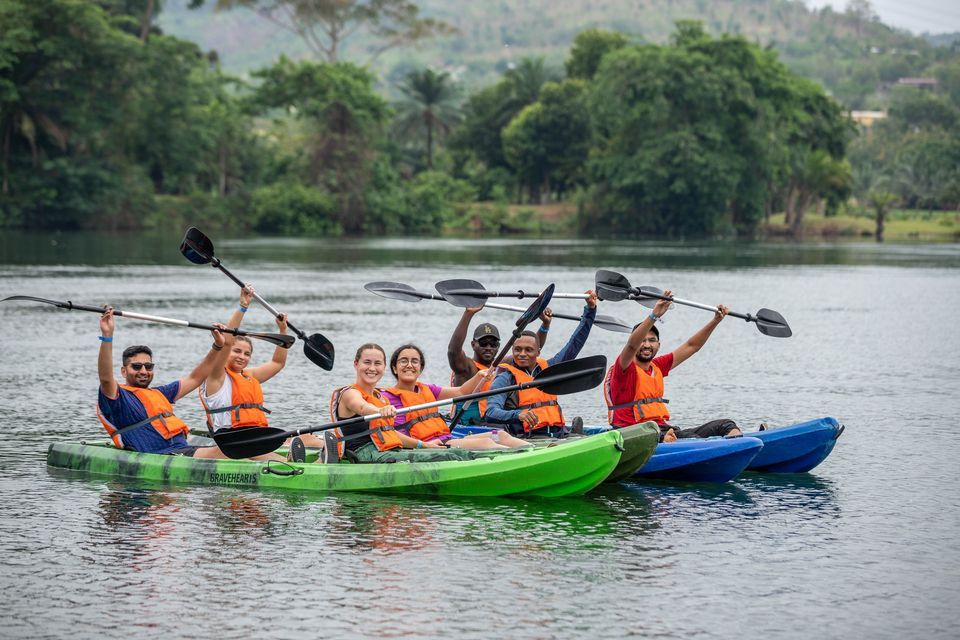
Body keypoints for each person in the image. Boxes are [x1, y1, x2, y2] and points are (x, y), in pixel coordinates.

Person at [602, 290, 743, 443]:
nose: (647, 345)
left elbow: (692, 346)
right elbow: (631, 346)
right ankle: (713, 451)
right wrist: (654, 315)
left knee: (726, 425)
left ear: (658, 345)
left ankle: (737, 445)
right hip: (633, 433)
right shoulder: (623, 368)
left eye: (652, 340)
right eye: (643, 340)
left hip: (662, 428)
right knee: (692, 440)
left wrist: (716, 320)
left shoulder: (657, 367)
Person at [96, 307, 234, 458]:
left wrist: (218, 346)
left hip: (181, 449)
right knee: (229, 451)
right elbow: (106, 378)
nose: (143, 371)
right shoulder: (118, 397)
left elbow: (195, 378)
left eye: (148, 366)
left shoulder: (160, 393)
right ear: (123, 371)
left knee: (236, 447)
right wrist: (107, 335)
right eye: (136, 366)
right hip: (162, 455)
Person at [199, 284, 315, 461]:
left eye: (247, 354)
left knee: (309, 438)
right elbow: (228, 341)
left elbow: (277, 363)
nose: (242, 357)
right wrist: (243, 307)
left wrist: (282, 330)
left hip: (255, 436)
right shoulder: (216, 376)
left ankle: (326, 453)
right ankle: (293, 463)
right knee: (278, 460)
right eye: (237, 351)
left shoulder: (248, 375)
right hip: (232, 442)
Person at [327, 344, 475, 463]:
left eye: (377, 363)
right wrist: (380, 411)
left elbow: (390, 433)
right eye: (367, 362)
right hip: (364, 455)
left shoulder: (380, 398)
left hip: (387, 451)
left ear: (384, 367)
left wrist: (423, 445)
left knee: (457, 452)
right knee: (450, 457)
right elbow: (361, 406)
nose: (372, 368)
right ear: (356, 364)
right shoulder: (350, 393)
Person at [483, 291, 597, 437]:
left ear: (538, 352)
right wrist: (519, 414)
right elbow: (491, 412)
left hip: (558, 433)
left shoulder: (548, 368)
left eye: (528, 350)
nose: (522, 354)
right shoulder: (505, 378)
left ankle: (574, 434)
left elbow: (575, 344)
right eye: (517, 350)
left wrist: (590, 310)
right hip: (528, 438)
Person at [382, 344, 530, 450]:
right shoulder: (386, 398)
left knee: (501, 435)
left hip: (447, 440)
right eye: (403, 361)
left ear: (420, 368)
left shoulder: (428, 389)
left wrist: (478, 376)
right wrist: (422, 445)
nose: (409, 365)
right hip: (428, 447)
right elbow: (389, 432)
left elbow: (460, 392)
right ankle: (523, 463)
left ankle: (538, 453)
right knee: (485, 443)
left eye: (414, 361)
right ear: (395, 368)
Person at [446, 306, 552, 425]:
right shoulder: (467, 367)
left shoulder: (502, 364)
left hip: (494, 421)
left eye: (493, 344)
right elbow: (453, 351)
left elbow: (531, 351)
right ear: (473, 344)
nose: (488, 348)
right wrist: (468, 314)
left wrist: (545, 326)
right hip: (467, 425)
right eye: (483, 343)